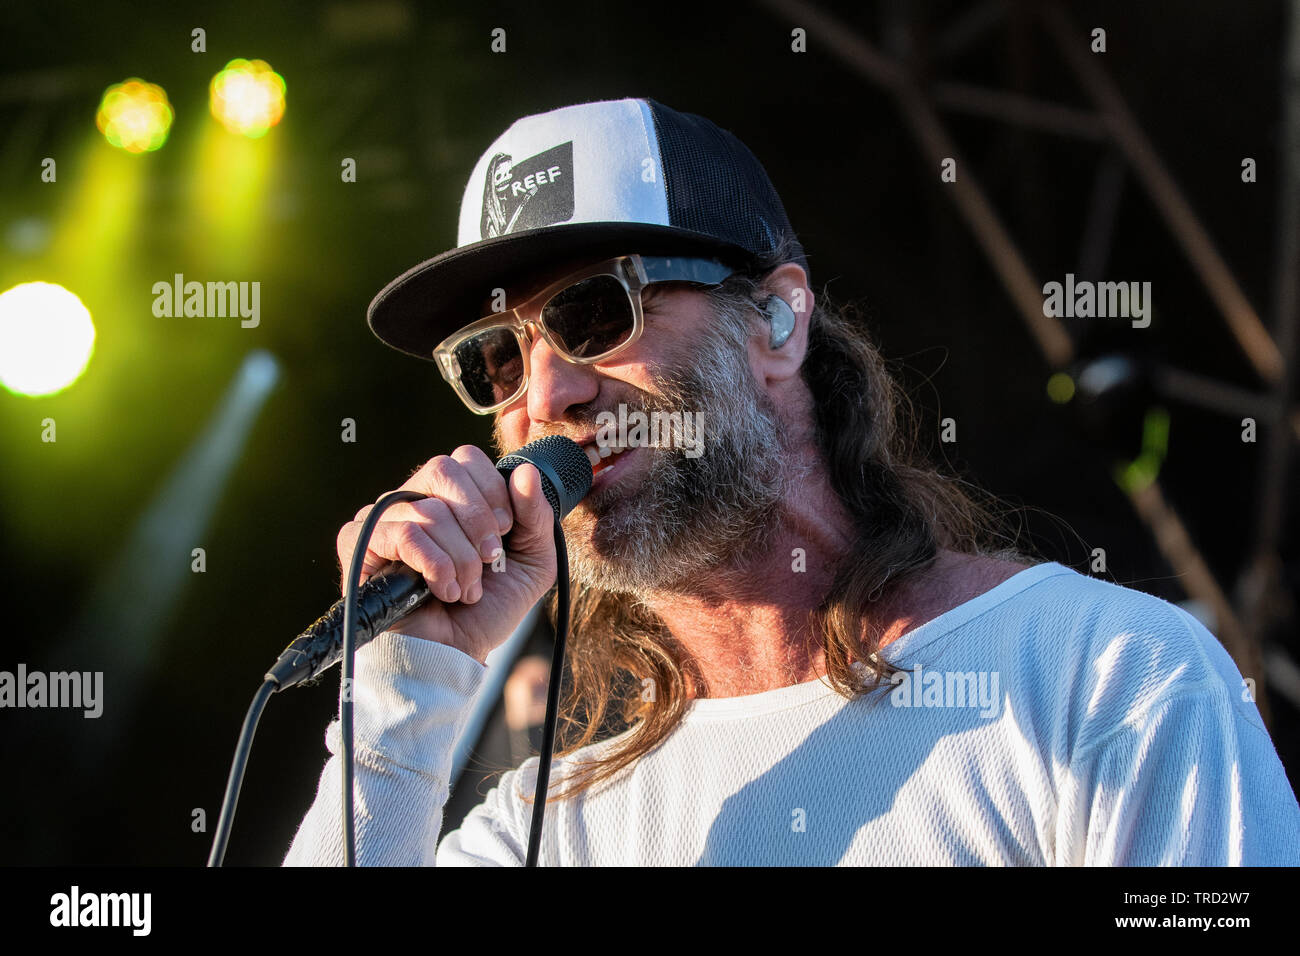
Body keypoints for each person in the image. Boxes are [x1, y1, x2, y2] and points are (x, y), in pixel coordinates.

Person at [284, 97, 1300, 865]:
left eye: (595, 312)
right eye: (494, 358)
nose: (545, 388)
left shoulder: (1106, 677)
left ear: (775, 320)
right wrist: (406, 692)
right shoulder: (551, 827)